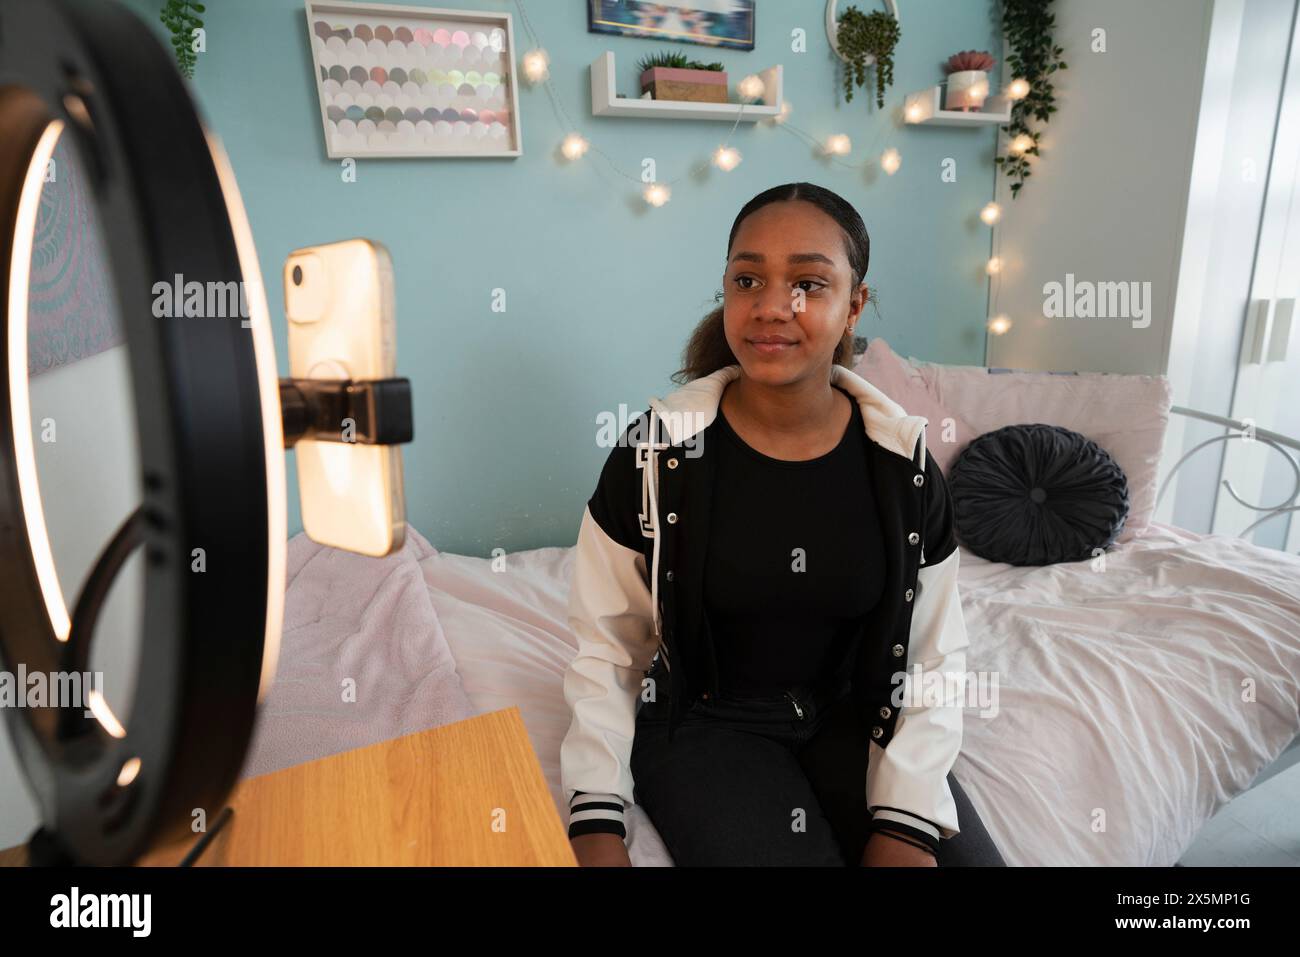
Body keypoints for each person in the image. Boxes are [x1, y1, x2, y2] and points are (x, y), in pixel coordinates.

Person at [561, 182, 1005, 866]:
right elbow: (607, 647)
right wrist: (594, 817)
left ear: (855, 303)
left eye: (807, 282)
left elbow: (933, 654)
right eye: (748, 279)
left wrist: (907, 821)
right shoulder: (656, 453)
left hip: (856, 720)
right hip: (704, 727)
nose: (772, 306)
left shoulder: (904, 465)